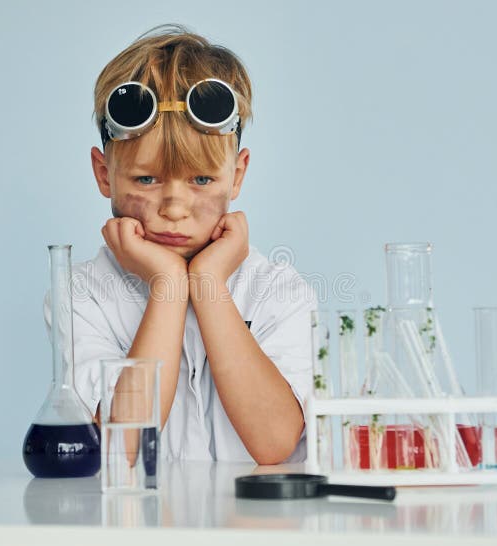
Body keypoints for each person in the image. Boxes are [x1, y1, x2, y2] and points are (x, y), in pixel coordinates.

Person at [45, 23, 317, 464]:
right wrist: (168, 285)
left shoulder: (277, 292)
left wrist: (209, 282)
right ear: (103, 173)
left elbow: (274, 442)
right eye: (146, 179)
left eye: (202, 179)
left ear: (238, 174)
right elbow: (121, 449)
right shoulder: (82, 295)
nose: (174, 207)